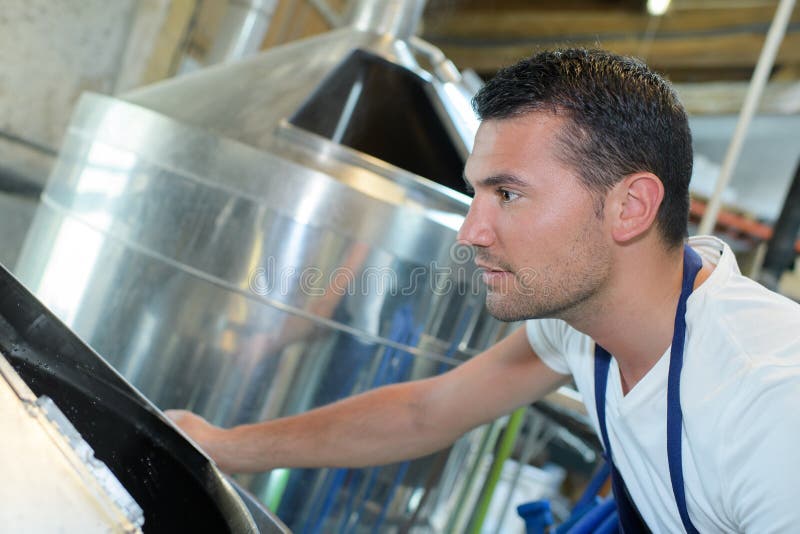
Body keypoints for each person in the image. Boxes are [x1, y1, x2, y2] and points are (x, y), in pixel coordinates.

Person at [167, 48, 800, 532]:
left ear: (630, 207)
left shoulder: (769, 405)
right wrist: (223, 447)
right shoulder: (578, 321)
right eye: (476, 193)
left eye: (508, 194)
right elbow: (425, 412)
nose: (471, 232)